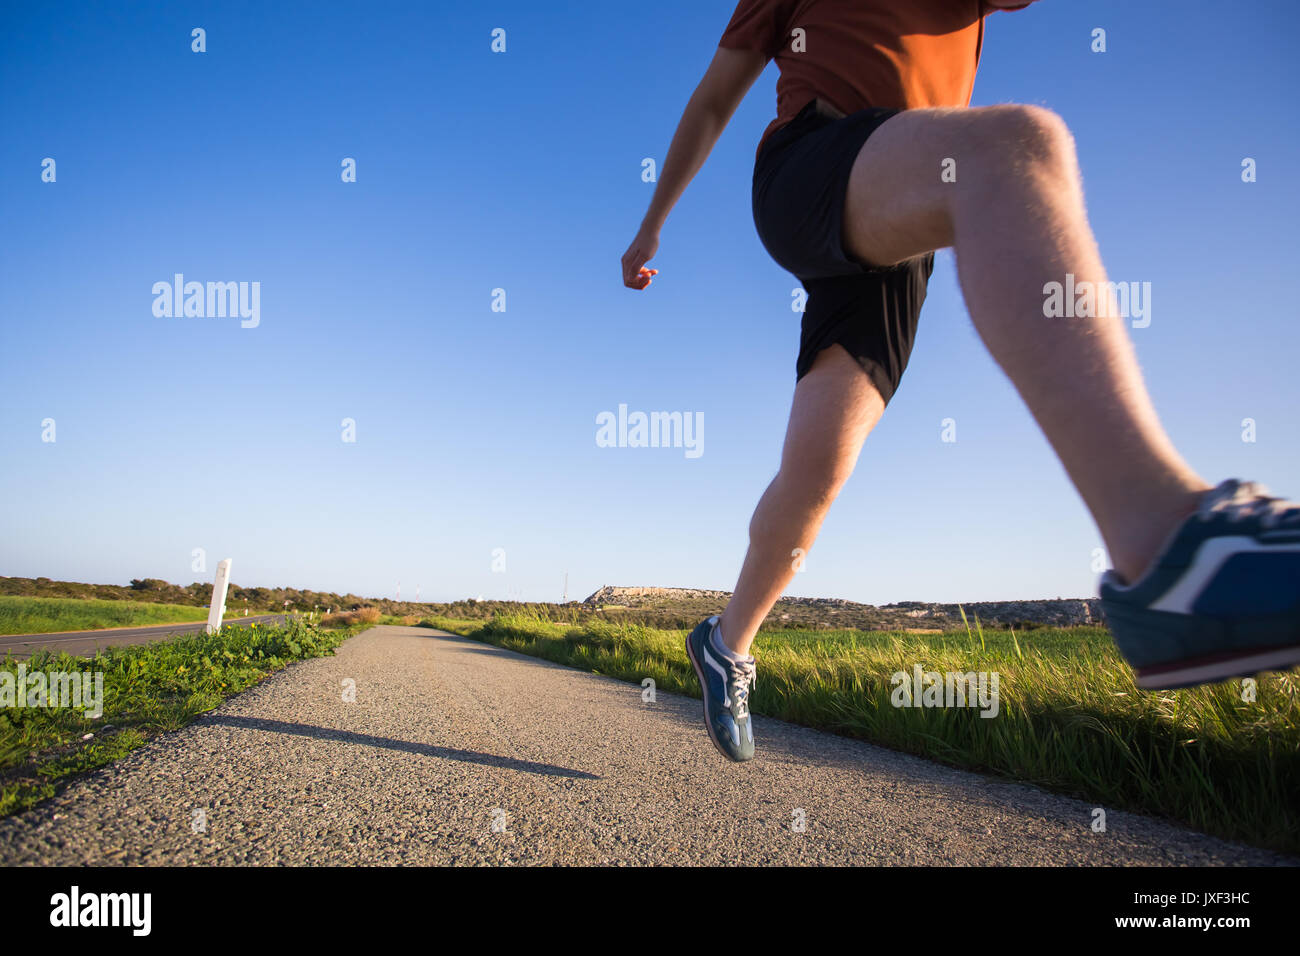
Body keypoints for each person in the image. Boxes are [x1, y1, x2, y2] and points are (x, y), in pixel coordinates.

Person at [620, 0, 1300, 762]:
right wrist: (653, 223)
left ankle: (725, 644)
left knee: (817, 473)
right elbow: (715, 98)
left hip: (902, 220)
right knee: (1019, 147)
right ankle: (1167, 547)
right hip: (810, 168)